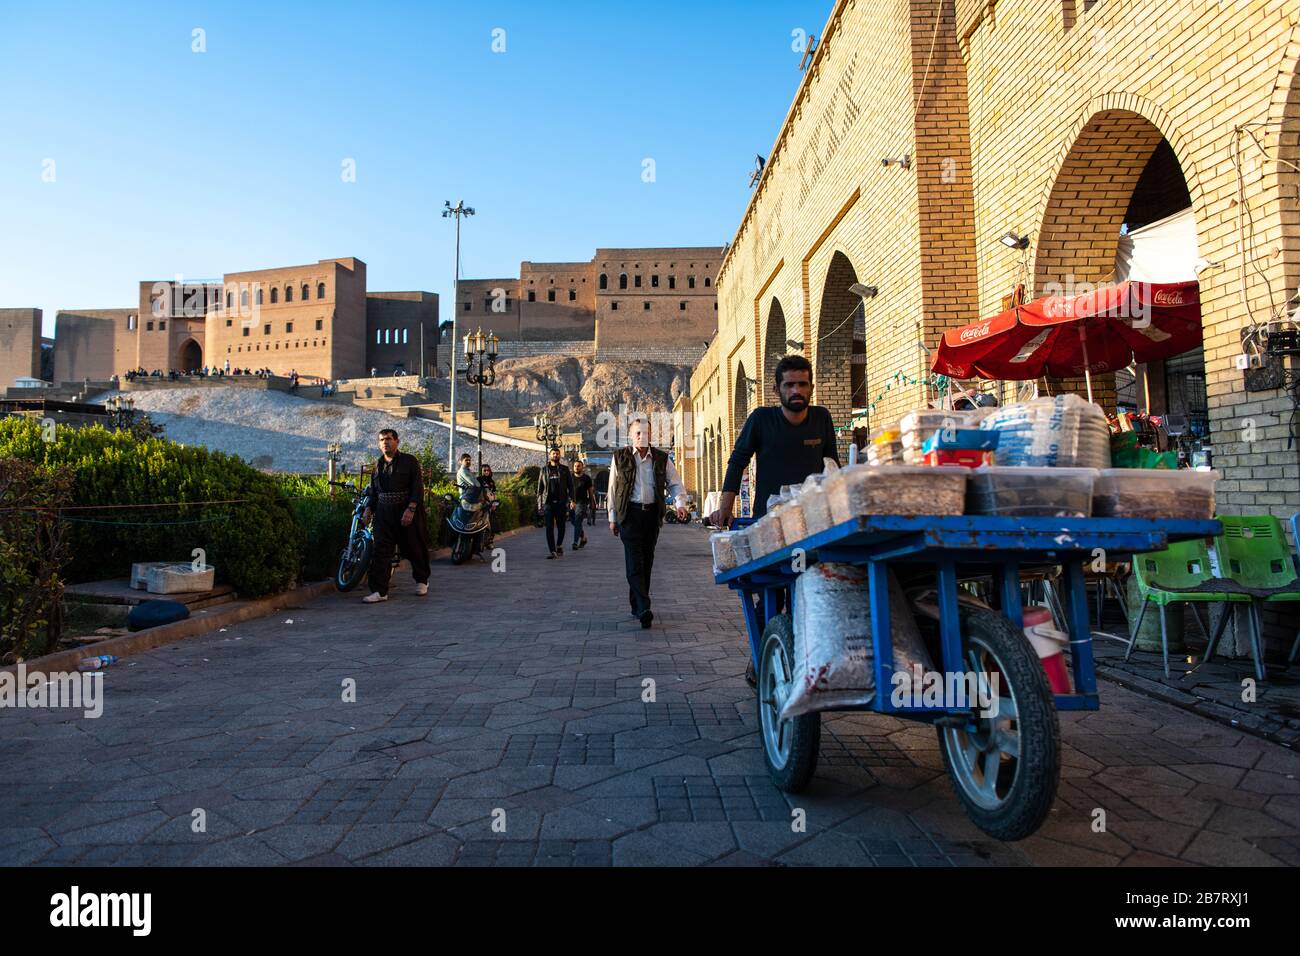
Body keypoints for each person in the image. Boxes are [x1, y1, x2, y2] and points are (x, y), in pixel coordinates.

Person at [710, 354, 840, 683]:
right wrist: (726, 504)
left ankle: (797, 659)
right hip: (768, 526)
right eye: (790, 385)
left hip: (812, 524)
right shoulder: (761, 420)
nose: (797, 390)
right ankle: (762, 655)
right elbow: (737, 460)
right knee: (772, 594)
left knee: (807, 592)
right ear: (777, 389)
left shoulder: (822, 419)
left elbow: (833, 466)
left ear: (811, 387)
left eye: (803, 384)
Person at [609, 417, 688, 629]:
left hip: (652, 515)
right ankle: (644, 607)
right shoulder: (620, 457)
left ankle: (636, 605)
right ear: (630, 436)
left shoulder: (662, 458)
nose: (642, 436)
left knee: (646, 561)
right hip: (630, 514)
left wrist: (680, 504)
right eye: (637, 433)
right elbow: (613, 490)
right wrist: (612, 518)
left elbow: (675, 483)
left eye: (645, 433)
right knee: (634, 561)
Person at [360, 428, 431, 603]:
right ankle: (379, 591)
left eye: (389, 439)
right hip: (384, 513)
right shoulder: (377, 465)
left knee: (414, 547)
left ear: (397, 441)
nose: (386, 442)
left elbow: (417, 487)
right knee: (381, 551)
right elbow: (374, 492)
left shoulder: (409, 461)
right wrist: (369, 509)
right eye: (382, 440)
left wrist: (411, 509)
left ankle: (422, 580)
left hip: (405, 511)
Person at [536, 446, 573, 559]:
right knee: (549, 527)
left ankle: (559, 545)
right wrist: (539, 505)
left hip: (561, 503)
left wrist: (572, 500)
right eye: (553, 453)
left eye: (557, 453)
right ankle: (552, 551)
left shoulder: (565, 469)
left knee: (561, 526)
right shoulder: (543, 470)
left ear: (559, 455)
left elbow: (571, 486)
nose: (555, 455)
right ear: (550, 455)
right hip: (548, 503)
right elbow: (540, 489)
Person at [570, 458, 595, 550]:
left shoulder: (586, 478)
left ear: (582, 467)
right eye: (575, 466)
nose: (577, 467)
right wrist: (569, 501)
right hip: (571, 502)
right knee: (574, 522)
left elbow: (590, 491)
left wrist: (592, 502)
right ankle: (583, 538)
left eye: (578, 466)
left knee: (577, 522)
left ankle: (575, 542)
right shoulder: (570, 477)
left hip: (582, 503)